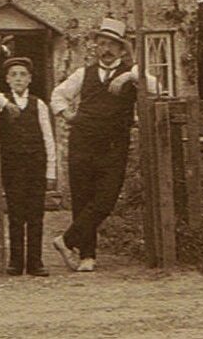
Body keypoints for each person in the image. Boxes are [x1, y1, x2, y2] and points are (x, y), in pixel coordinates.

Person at [49, 17, 156, 272]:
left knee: (106, 200)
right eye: (102, 44)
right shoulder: (82, 74)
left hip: (113, 146)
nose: (106, 50)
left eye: (112, 45)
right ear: (96, 47)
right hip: (82, 143)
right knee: (82, 200)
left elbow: (155, 87)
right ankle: (87, 256)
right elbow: (57, 96)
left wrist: (130, 75)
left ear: (122, 49)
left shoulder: (132, 74)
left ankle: (66, 240)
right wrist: (67, 114)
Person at [0, 56, 56, 276]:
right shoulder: (1, 101)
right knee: (15, 213)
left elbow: (48, 138)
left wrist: (51, 171)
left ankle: (35, 262)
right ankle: (15, 261)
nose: (18, 78)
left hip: (36, 164)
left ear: (30, 79)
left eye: (23, 74)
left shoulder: (38, 104)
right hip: (13, 166)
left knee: (35, 214)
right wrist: (6, 104)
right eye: (13, 75)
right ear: (7, 79)